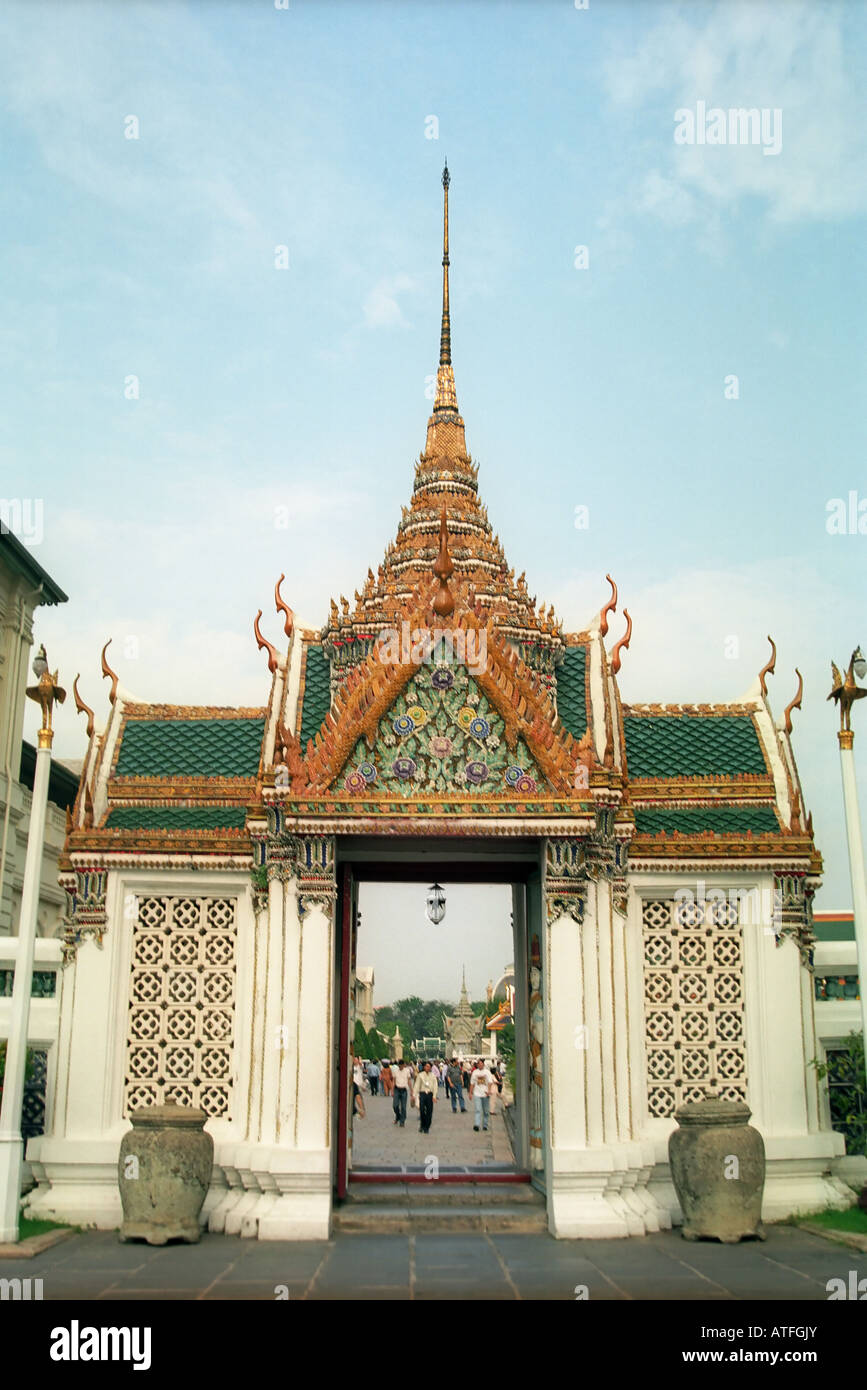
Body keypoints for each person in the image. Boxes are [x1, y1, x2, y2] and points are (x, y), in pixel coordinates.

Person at [413, 1059, 438, 1135]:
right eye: (426, 1066)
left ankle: (427, 1127)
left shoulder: (433, 1076)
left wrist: (434, 1096)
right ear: (424, 1067)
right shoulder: (420, 1075)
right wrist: (414, 1095)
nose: (427, 1068)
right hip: (422, 1094)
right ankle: (422, 1125)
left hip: (430, 1094)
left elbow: (435, 1086)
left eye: (429, 1066)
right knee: (422, 1110)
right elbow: (417, 1085)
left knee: (429, 1111)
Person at [470, 1058, 495, 1131]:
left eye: (481, 1064)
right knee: (478, 1109)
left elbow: (490, 1082)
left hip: (485, 1093)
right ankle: (477, 1124)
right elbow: (472, 1083)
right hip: (477, 1093)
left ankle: (485, 1125)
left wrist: (489, 1091)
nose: (480, 1065)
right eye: (479, 1064)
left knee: (486, 1111)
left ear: (483, 1064)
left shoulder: (487, 1072)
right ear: (477, 1065)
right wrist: (470, 1093)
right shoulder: (475, 1072)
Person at [392, 1057, 412, 1127]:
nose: (400, 1067)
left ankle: (402, 1121)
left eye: (402, 1065)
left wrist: (411, 1090)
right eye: (399, 1066)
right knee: (395, 1106)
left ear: (404, 1065)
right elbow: (393, 1081)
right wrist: (392, 1090)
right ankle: (398, 1116)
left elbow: (409, 1081)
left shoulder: (407, 1071)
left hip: (404, 1090)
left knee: (403, 1107)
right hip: (397, 1089)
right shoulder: (395, 1071)